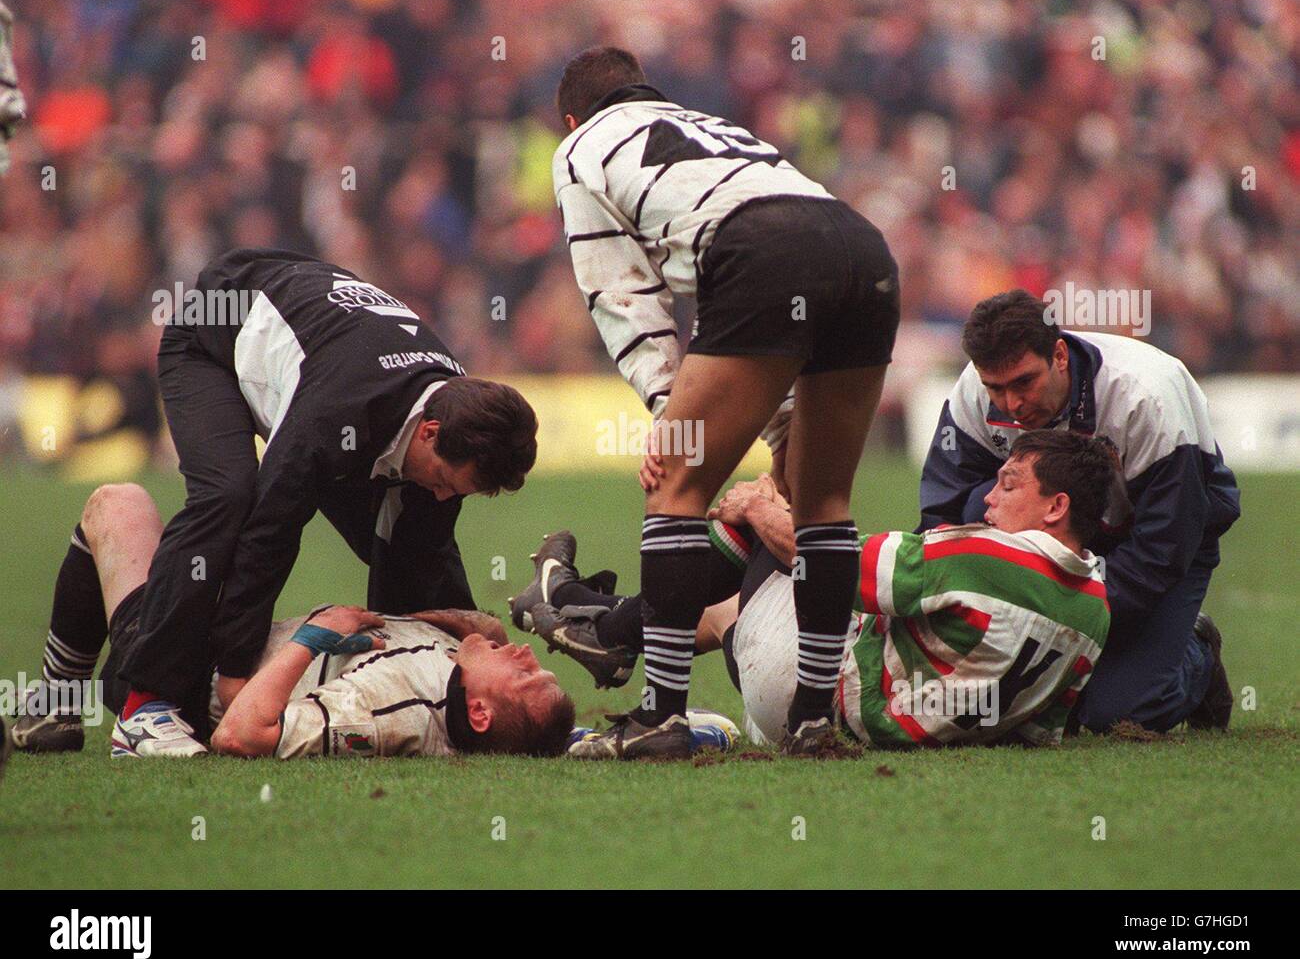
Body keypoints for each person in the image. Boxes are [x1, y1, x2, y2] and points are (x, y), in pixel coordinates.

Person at [12, 248, 539, 758]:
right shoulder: (340, 412)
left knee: (412, 533)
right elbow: (269, 532)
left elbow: (426, 550)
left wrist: (468, 660)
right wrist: (238, 671)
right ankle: (146, 704)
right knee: (230, 495)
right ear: (428, 433)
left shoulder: (451, 416)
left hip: (315, 342)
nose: (446, 495)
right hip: (210, 335)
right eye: (447, 479)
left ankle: (59, 701)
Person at [550, 46, 900, 756]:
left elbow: (621, 293)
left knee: (677, 484)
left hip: (764, 249)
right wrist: (777, 429)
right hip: (863, 249)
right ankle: (811, 723)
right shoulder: (710, 126)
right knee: (820, 500)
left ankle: (661, 720)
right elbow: (764, 336)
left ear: (568, 118)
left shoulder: (580, 147)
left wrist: (665, 410)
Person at [516, 430, 1116, 752]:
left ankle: (603, 631)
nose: (987, 499)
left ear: (1056, 506)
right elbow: (1041, 731)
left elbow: (835, 565)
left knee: (779, 513)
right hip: (871, 717)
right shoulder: (1096, 603)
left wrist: (757, 503)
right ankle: (592, 617)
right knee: (730, 610)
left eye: (1008, 485)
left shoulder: (995, 555)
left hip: (815, 703)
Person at [10, 483, 574, 760]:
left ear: (477, 713)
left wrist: (314, 637)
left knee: (118, 503)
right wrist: (481, 636)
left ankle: (63, 703)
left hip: (178, 666)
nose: (527, 655)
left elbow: (243, 733)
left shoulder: (387, 709)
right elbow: (490, 639)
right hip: (221, 631)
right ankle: (51, 710)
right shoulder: (457, 675)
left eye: (525, 676)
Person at [917, 290, 1238, 733]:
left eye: (1024, 382)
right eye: (996, 388)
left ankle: (1196, 651)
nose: (1010, 403)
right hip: (1062, 533)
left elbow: (1164, 547)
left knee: (1120, 713)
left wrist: (1067, 612)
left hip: (1165, 536)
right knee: (977, 505)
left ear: (1060, 356)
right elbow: (944, 513)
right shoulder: (974, 391)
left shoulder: (1144, 397)